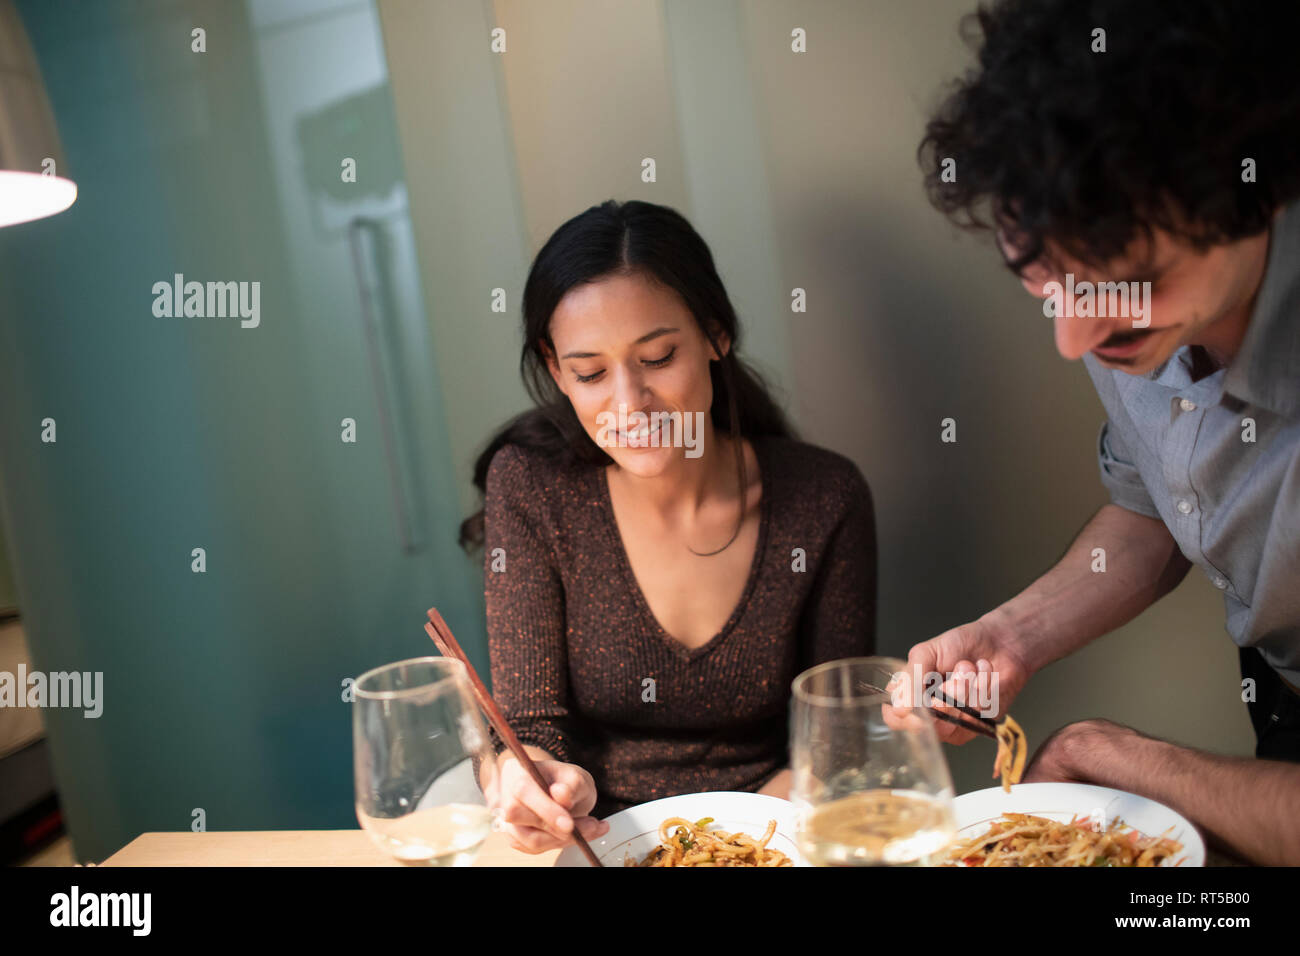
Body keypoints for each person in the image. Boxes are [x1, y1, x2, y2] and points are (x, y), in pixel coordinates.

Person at [906, 0, 1300, 864]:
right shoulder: (1107, 295)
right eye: (1042, 279)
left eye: (1128, 283)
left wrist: (1114, 759)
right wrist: (1014, 637)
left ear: (1262, 196)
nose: (1074, 339)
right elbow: (1162, 503)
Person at [459, 199, 876, 853]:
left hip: (774, 834)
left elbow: (840, 737)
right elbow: (529, 727)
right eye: (590, 373)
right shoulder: (532, 487)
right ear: (555, 369)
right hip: (599, 844)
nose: (628, 404)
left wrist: (728, 848)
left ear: (715, 333)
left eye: (656, 358)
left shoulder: (825, 497)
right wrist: (529, 777)